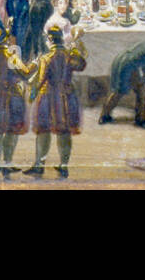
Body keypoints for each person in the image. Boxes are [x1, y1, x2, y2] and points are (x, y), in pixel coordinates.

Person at [24, 26, 86, 179]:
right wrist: (77, 50)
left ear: (50, 39)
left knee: (43, 131)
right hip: (66, 96)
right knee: (64, 132)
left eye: (47, 38)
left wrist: (32, 93)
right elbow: (82, 65)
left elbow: (41, 79)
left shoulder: (46, 58)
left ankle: (39, 165)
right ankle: (64, 166)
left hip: (48, 96)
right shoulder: (69, 55)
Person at [0, 26, 32, 178]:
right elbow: (26, 73)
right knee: (11, 130)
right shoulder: (13, 57)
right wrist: (35, 63)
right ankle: (7, 163)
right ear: (5, 39)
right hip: (13, 97)